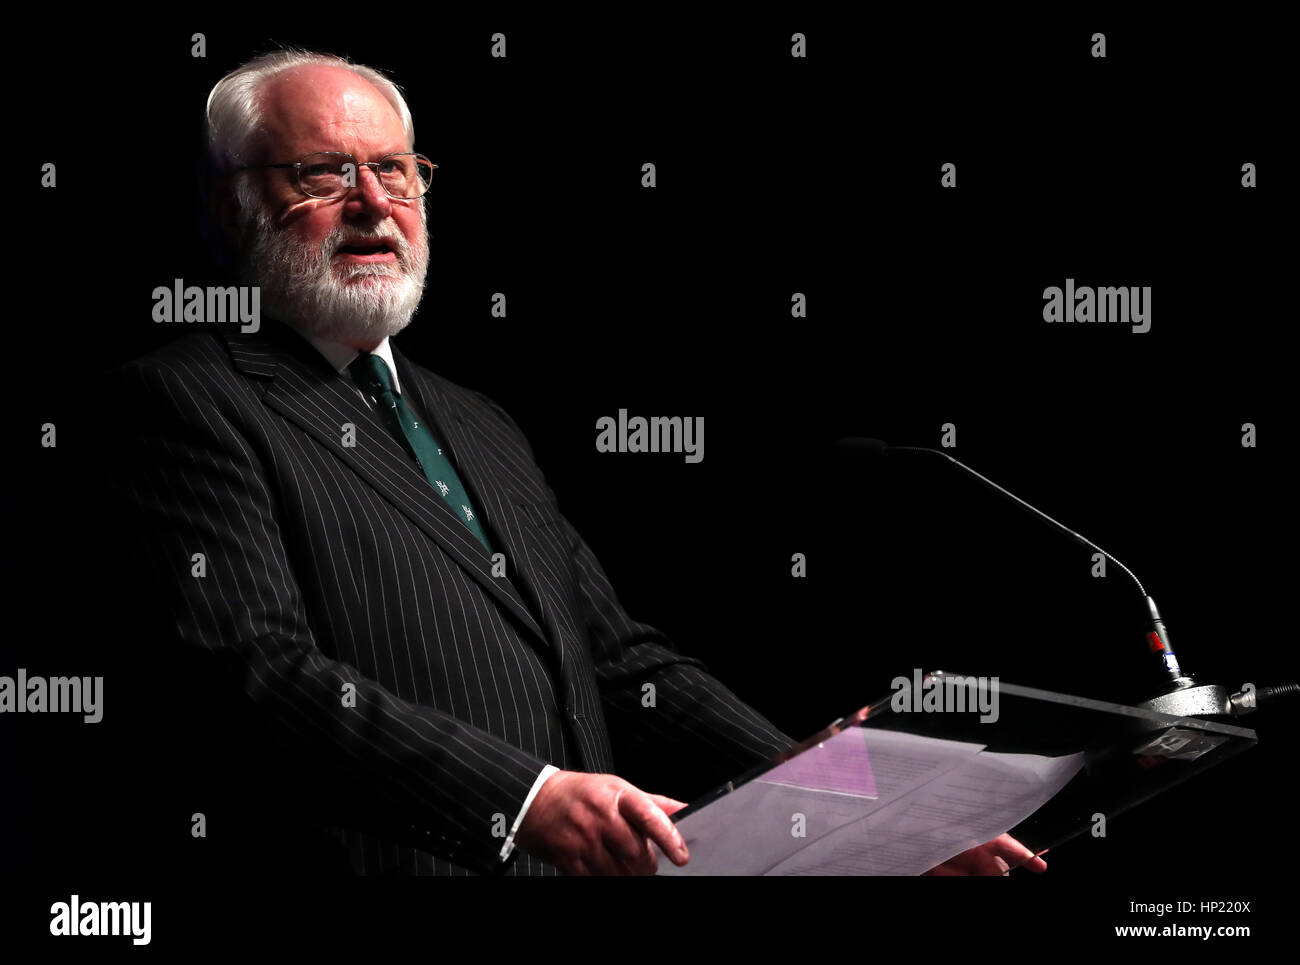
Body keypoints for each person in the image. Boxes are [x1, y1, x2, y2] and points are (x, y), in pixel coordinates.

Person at [112, 48, 1045, 877]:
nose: (374, 203)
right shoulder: (187, 396)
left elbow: (620, 661)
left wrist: (852, 804)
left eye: (396, 170)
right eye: (324, 171)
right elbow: (253, 672)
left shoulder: (480, 423)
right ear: (231, 205)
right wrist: (523, 797)